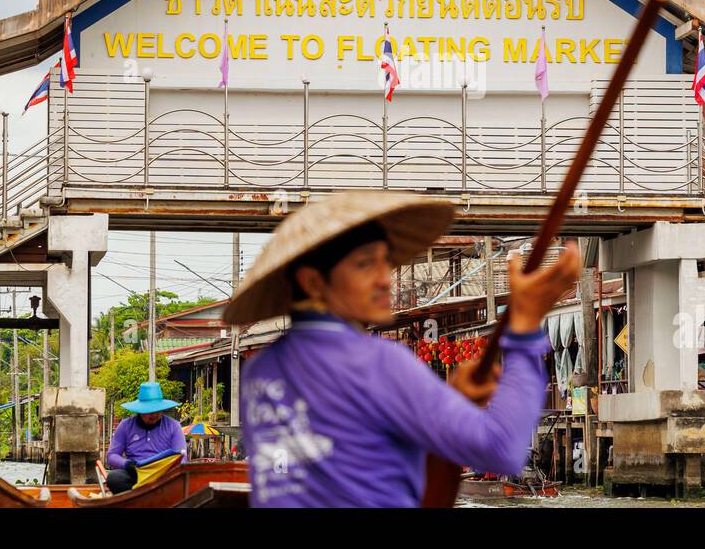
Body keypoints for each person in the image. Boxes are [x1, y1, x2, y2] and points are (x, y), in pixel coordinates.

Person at [225, 190, 580, 507]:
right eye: (365, 264)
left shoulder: (260, 371)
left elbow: (359, 455)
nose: (385, 278)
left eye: (385, 261)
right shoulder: (377, 362)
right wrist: (525, 328)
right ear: (314, 281)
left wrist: (452, 404)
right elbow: (502, 449)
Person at [103, 381, 186, 493]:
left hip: (163, 475)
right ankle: (134, 499)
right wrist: (127, 464)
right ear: (140, 410)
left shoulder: (174, 426)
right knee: (114, 478)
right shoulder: (125, 425)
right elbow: (112, 456)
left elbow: (182, 457)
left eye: (158, 411)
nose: (155, 415)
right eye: (150, 411)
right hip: (135, 473)